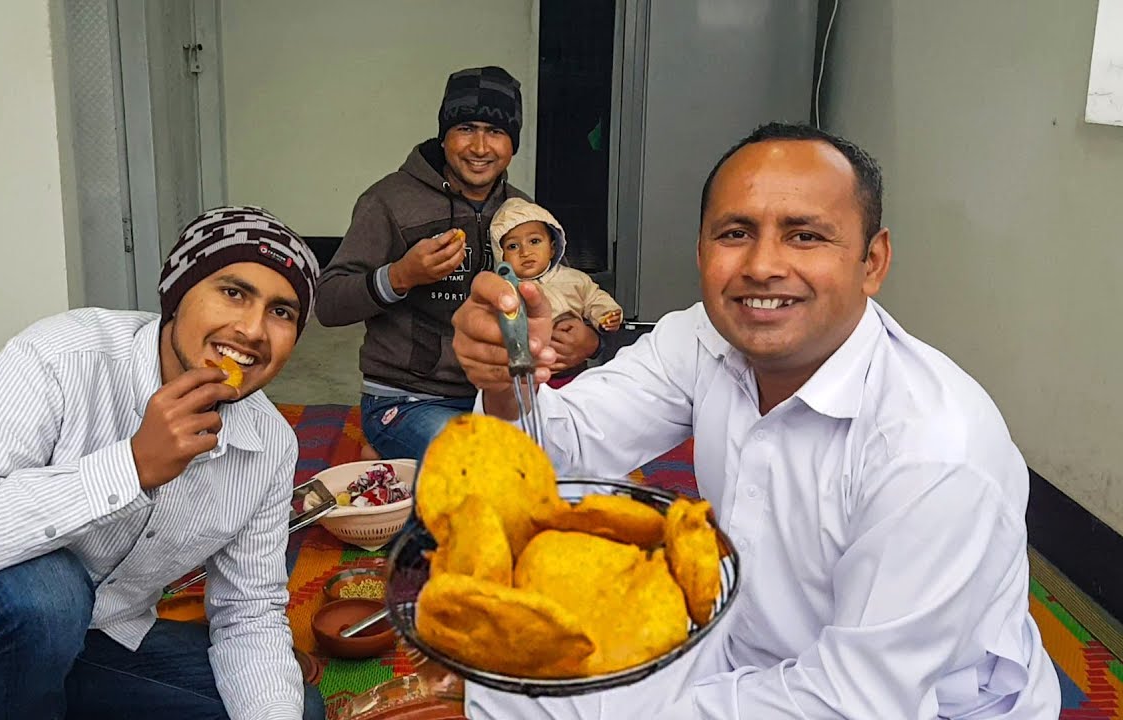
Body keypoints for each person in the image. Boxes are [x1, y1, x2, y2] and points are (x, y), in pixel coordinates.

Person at [450, 123, 1060, 718]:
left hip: (906, 702)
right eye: (736, 233)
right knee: (508, 678)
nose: (763, 266)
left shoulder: (933, 449)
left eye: (806, 236)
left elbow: (858, 701)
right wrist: (510, 384)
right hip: (741, 639)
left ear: (872, 262)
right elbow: (557, 456)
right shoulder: (703, 338)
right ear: (700, 251)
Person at [0, 206, 328, 720]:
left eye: (282, 312)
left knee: (295, 708)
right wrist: (131, 467)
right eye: (233, 292)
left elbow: (247, 612)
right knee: (47, 592)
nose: (253, 330)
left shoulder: (269, 443)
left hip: (83, 644)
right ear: (176, 295)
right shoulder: (61, 357)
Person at [314, 65, 601, 460]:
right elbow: (328, 303)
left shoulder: (523, 212)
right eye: (466, 128)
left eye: (496, 132)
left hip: (500, 398)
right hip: (410, 400)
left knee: (569, 461)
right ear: (444, 136)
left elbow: (563, 290)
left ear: (513, 144)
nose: (481, 148)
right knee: (486, 469)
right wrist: (401, 276)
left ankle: (412, 466)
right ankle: (397, 450)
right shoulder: (389, 202)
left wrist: (590, 338)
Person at [490, 197, 623, 387]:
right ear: (500, 254)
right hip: (525, 376)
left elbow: (594, 297)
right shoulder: (504, 289)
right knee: (526, 412)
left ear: (552, 248)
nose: (525, 252)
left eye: (534, 241)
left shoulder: (574, 279)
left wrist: (606, 314)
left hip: (571, 372)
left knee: (576, 406)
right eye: (513, 246)